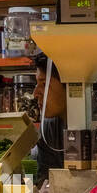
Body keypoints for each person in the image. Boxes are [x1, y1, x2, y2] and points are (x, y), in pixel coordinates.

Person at [31, 53, 66, 181]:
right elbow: (46, 182)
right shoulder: (48, 128)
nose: (35, 93)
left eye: (44, 84)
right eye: (37, 84)